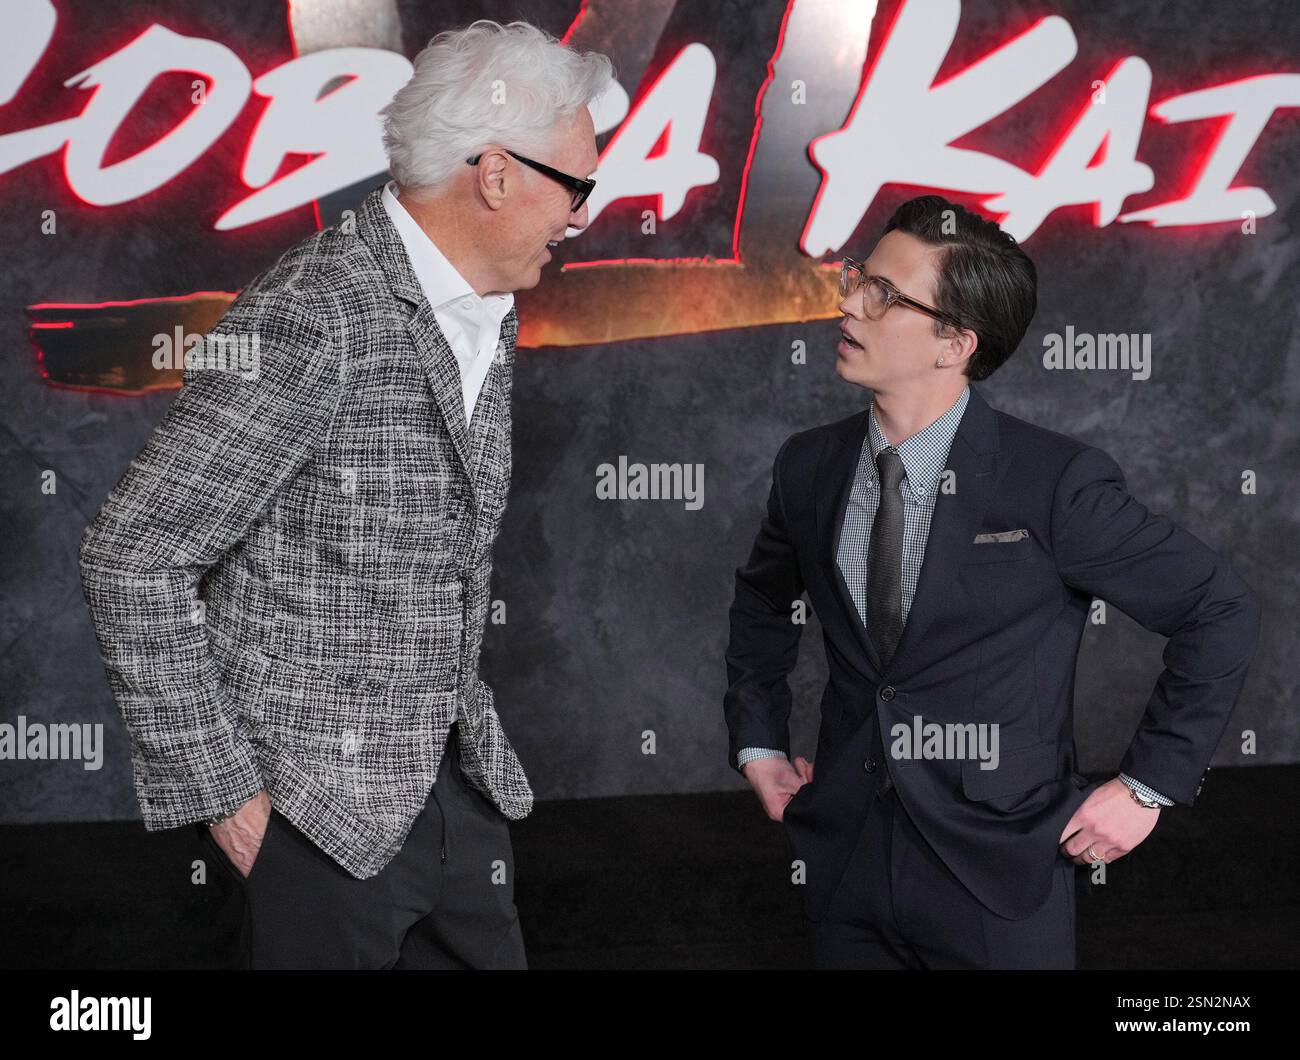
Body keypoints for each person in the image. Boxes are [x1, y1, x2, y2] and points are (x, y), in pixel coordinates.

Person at [78, 20, 611, 970]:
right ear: (495, 175)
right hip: (311, 826)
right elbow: (134, 555)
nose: (581, 217)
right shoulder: (314, 312)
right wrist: (231, 803)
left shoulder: (489, 307)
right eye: (576, 188)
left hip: (455, 797)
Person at [722, 195, 1261, 969]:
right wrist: (758, 737)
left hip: (998, 877)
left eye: (882, 293)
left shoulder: (1054, 483)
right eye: (855, 277)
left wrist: (1148, 787)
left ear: (954, 343)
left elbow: (1220, 609)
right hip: (843, 865)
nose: (848, 302)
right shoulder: (807, 465)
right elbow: (764, 601)